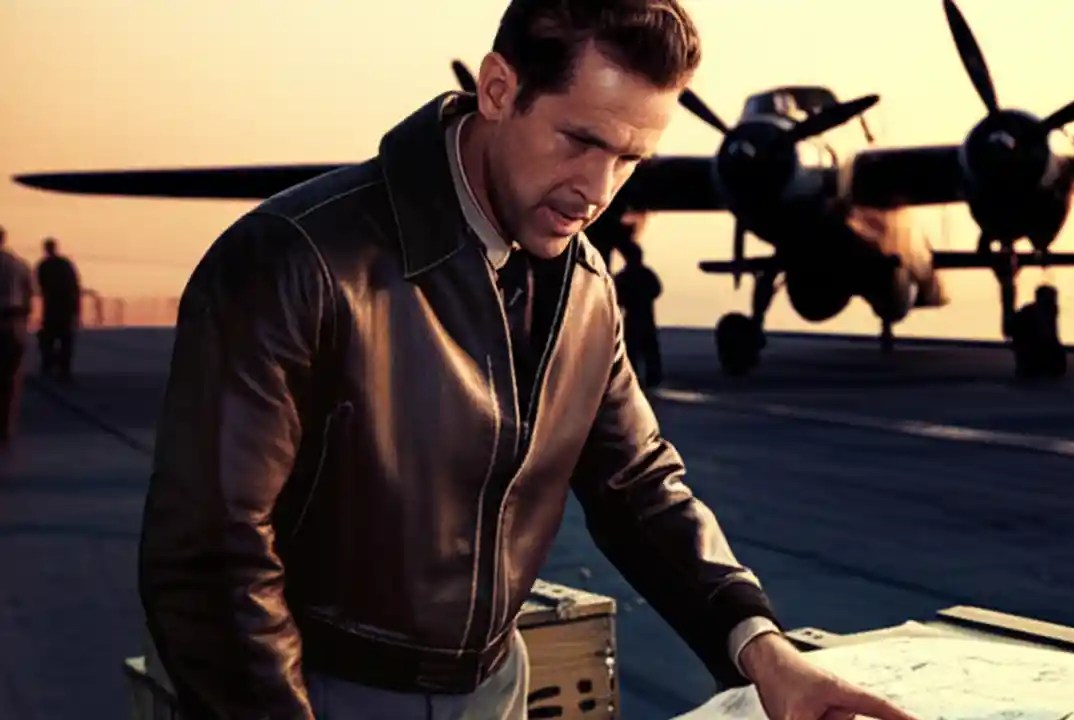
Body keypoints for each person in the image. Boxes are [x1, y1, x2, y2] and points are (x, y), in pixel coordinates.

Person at [137, 3, 920, 720]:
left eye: (631, 160)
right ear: (499, 88)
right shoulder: (293, 258)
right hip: (320, 695)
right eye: (580, 140)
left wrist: (765, 654)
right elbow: (211, 557)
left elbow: (638, 485)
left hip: (499, 691)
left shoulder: (585, 286)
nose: (597, 191)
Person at [614, 237, 664, 387]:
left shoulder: (625, 276)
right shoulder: (645, 274)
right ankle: (651, 377)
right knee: (646, 348)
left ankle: (638, 377)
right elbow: (656, 290)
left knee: (636, 349)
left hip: (635, 317)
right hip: (644, 316)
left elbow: (617, 297)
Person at [0, 226, 34, 444]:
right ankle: (5, 428)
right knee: (10, 379)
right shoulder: (19, 263)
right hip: (14, 322)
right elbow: (29, 293)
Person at [35, 237, 81, 380]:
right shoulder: (66, 264)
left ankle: (49, 364)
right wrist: (76, 310)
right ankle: (64, 368)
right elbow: (75, 286)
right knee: (65, 339)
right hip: (66, 307)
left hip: (51, 308)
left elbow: (40, 286)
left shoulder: (43, 265)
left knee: (47, 338)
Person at [1010, 285, 1066, 380]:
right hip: (1031, 352)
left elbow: (1052, 336)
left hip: (1034, 352)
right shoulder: (1032, 312)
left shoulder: (1049, 310)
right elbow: (1047, 336)